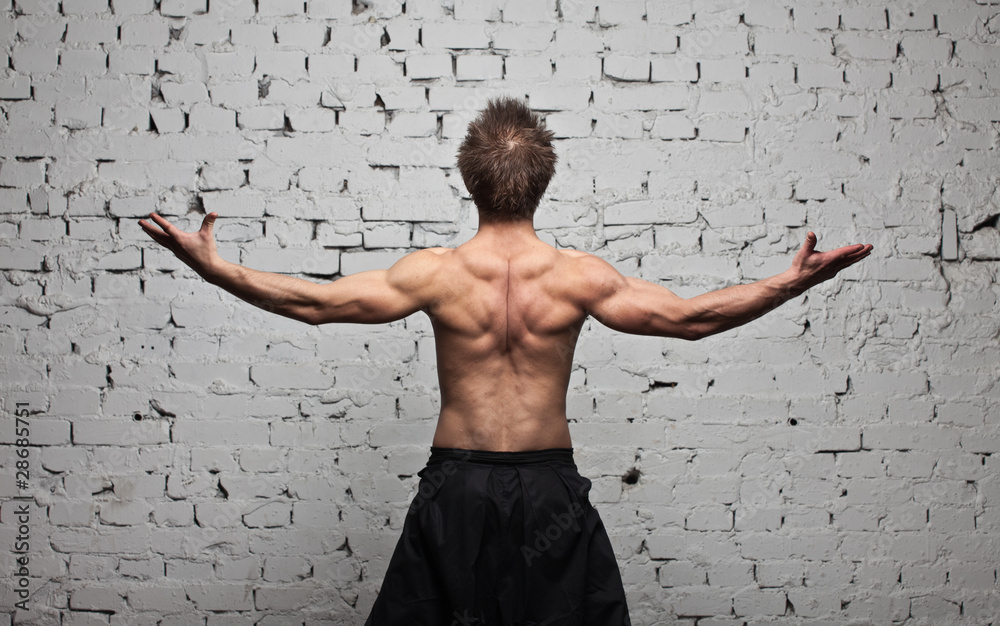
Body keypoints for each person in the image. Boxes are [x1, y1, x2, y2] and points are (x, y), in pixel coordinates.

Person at [139, 96, 872, 625]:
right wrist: (786, 283)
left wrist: (215, 269)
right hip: (549, 489)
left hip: (455, 488)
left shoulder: (434, 274)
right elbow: (691, 320)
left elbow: (315, 303)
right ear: (544, 182)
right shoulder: (580, 277)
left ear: (469, 181)